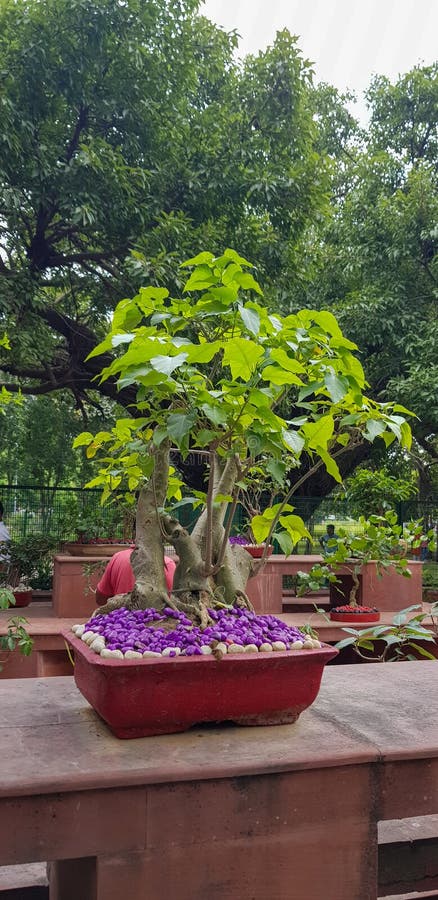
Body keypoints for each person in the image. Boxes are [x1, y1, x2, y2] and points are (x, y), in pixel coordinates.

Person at [95, 547, 176, 605]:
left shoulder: (118, 557)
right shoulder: (167, 563)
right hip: (154, 621)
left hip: (121, 620)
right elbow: (174, 601)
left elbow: (100, 599)